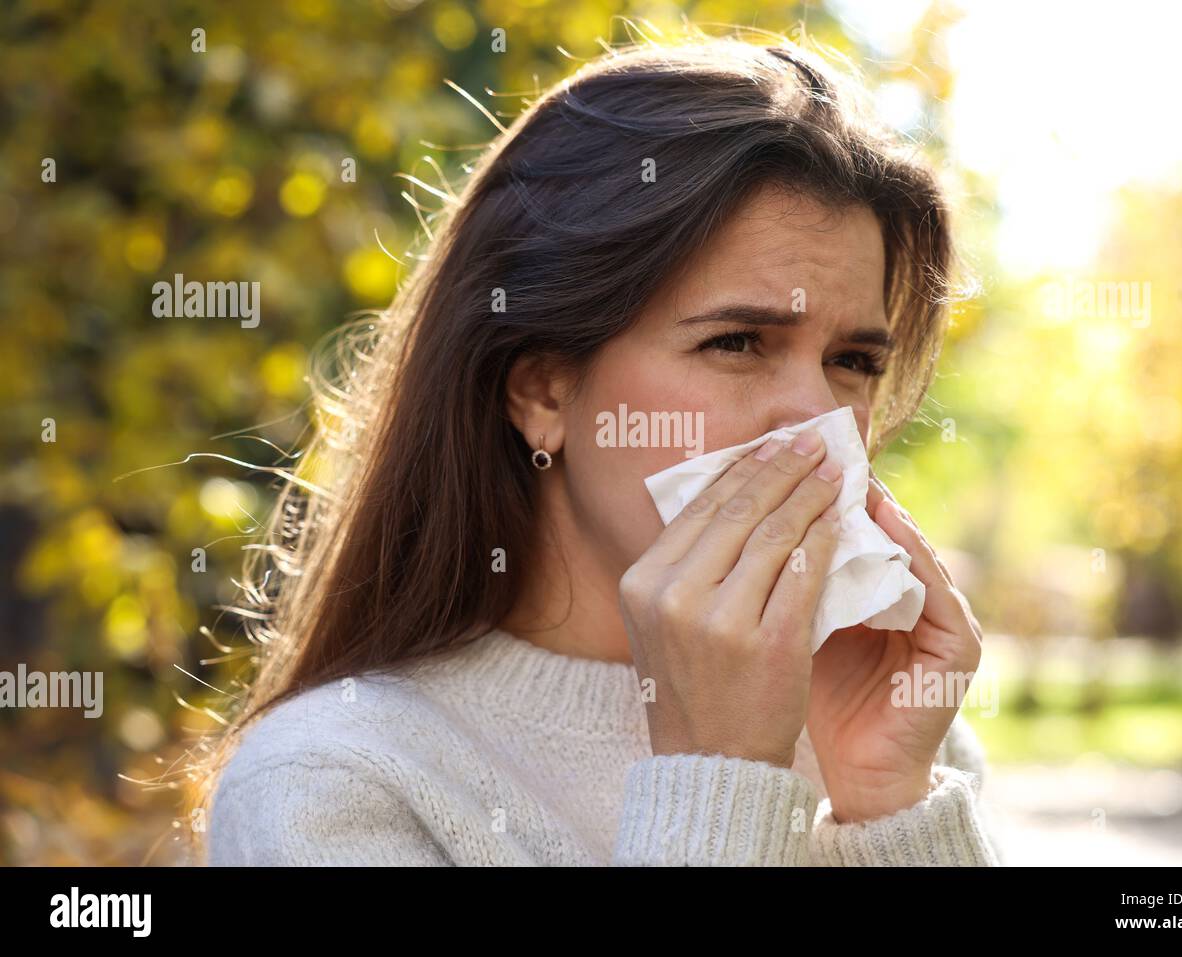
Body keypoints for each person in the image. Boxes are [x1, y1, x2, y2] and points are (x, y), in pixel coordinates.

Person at [196, 34, 1002, 866]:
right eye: (736, 341)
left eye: (853, 363)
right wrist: (717, 775)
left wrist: (888, 805)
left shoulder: (898, 737)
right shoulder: (334, 783)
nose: (815, 417)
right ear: (544, 391)